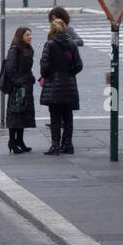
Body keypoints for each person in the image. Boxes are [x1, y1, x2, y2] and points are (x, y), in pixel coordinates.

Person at [40, 16, 83, 155]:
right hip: (69, 85)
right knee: (68, 116)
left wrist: (48, 76)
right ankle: (68, 144)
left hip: (54, 85)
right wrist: (69, 73)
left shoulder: (50, 45)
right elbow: (78, 65)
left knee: (55, 118)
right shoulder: (71, 44)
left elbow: (44, 67)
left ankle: (55, 145)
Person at [1, 27, 36, 153]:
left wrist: (30, 79)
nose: (30, 37)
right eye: (27, 35)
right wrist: (18, 82)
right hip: (17, 88)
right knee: (15, 114)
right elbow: (10, 69)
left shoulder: (28, 49)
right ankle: (12, 141)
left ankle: (20, 140)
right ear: (21, 36)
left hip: (26, 86)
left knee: (22, 115)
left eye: (30, 34)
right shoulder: (15, 50)